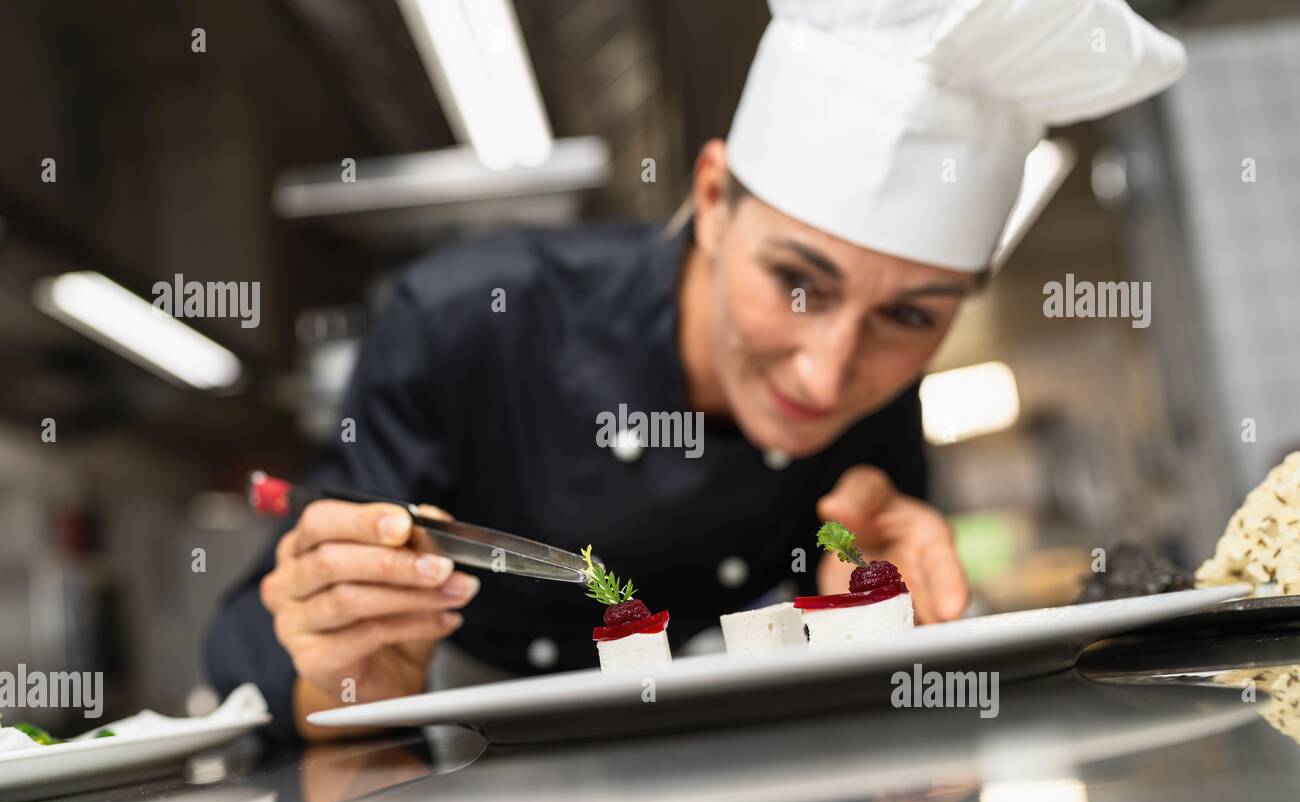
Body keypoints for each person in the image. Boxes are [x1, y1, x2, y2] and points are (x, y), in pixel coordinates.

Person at [207, 0, 1186, 740]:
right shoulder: (465, 322)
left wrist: (869, 595)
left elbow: (840, 597)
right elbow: (260, 622)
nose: (828, 367)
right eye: (797, 282)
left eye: (909, 315)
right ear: (712, 199)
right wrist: (340, 659)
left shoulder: (873, 399)